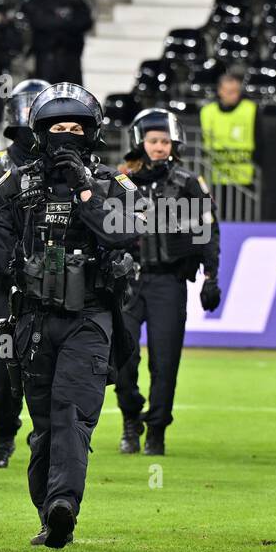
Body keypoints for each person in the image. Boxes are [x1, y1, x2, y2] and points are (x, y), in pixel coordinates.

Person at [0, 82, 143, 548]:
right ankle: (48, 510)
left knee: (72, 413)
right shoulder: (20, 182)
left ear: (91, 133)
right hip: (35, 319)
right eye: (56, 128)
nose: (66, 134)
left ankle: (65, 502)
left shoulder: (112, 185)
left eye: (74, 127)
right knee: (42, 421)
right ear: (40, 133)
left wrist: (83, 189)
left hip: (91, 315)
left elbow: (125, 235)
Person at [114, 107, 220, 455]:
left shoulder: (187, 183)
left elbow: (207, 232)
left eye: (164, 141)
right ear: (139, 142)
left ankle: (156, 429)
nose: (159, 147)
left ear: (174, 144)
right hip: (128, 283)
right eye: (153, 140)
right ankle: (131, 419)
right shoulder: (122, 183)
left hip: (167, 283)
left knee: (165, 360)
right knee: (123, 359)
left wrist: (210, 276)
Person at [0, 78, 48, 467]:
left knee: (48, 362)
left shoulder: (69, 167)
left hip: (51, 280)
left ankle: (46, 435)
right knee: (1, 366)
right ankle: (0, 437)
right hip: (3, 284)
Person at [24, 0, 93, 84]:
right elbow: (39, 21)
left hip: (71, 56)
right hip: (47, 57)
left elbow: (85, 20)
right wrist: (65, 22)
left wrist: (62, 23)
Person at [198, 69, 257, 187]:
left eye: (236, 91)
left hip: (244, 178)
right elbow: (201, 144)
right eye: (230, 92)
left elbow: (259, 143)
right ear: (220, 91)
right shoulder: (207, 112)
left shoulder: (250, 109)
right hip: (214, 178)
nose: (234, 96)